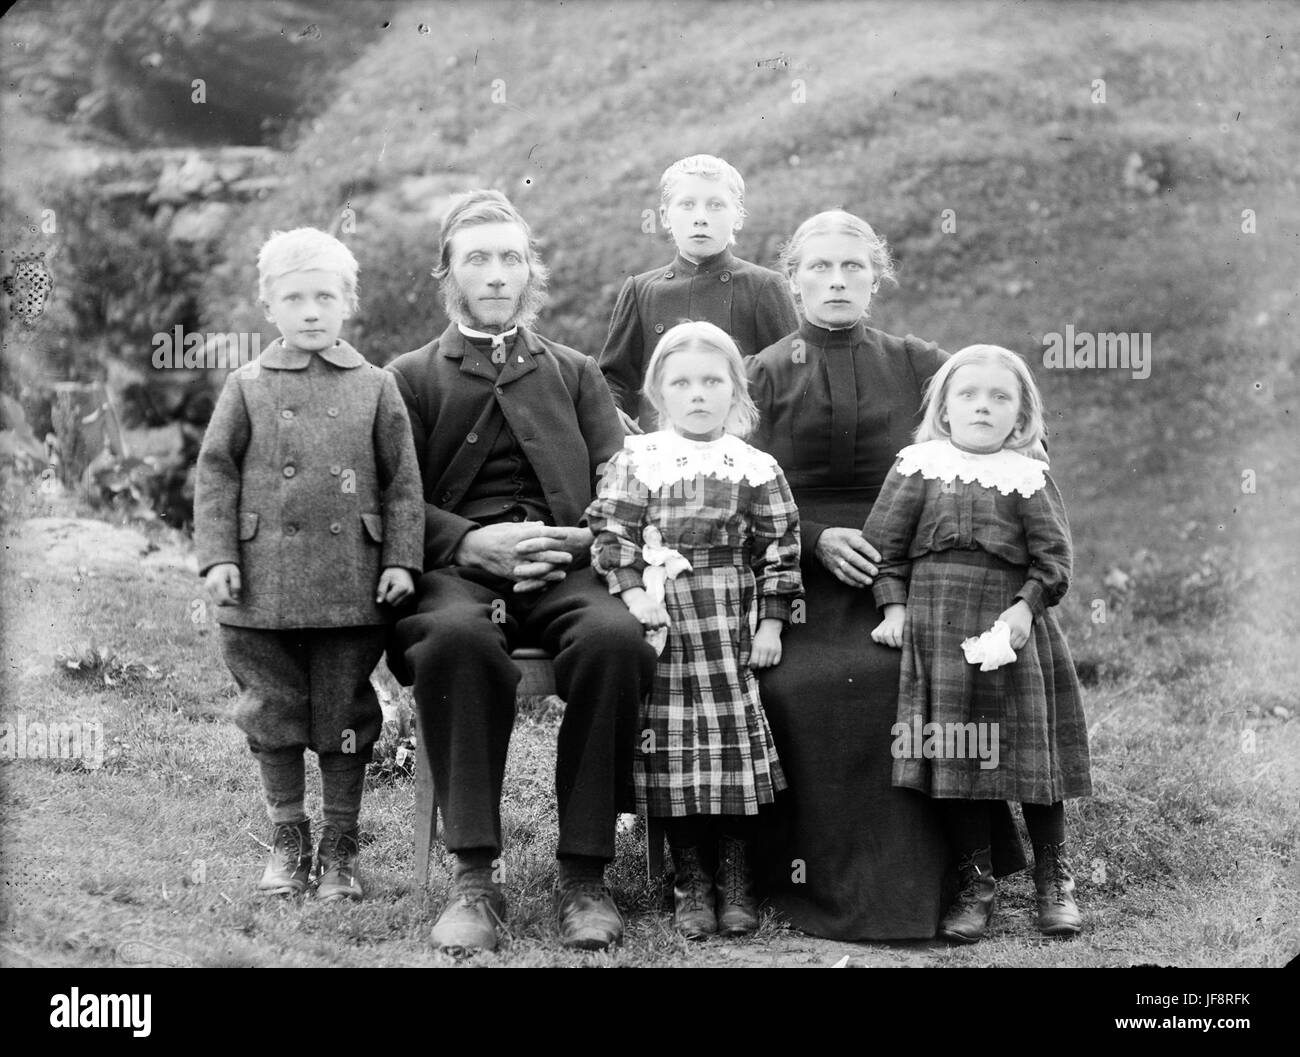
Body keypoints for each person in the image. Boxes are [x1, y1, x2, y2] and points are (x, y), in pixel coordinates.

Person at [386, 190, 657, 954]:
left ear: (530, 270)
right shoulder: (407, 378)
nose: (497, 273)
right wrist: (473, 544)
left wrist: (574, 541)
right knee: (452, 641)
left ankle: (584, 876)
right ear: (448, 272)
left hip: (567, 567)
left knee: (617, 638)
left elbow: (621, 482)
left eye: (511, 257)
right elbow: (394, 497)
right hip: (456, 574)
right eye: (478, 258)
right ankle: (475, 876)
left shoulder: (572, 372)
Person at [745, 209, 1027, 940]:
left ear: (877, 278)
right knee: (796, 683)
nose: (837, 281)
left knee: (901, 677)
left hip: (912, 570)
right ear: (793, 279)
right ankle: (773, 876)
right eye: (820, 269)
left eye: (853, 268)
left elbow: (1004, 435)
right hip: (796, 572)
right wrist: (813, 539)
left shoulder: (919, 361)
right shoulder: (765, 372)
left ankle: (961, 872)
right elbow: (737, 487)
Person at [194, 227, 425, 902]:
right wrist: (218, 558)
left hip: (350, 580)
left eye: (325, 295)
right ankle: (288, 838)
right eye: (294, 298)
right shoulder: (247, 384)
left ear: (348, 301)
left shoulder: (377, 386)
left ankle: (342, 843)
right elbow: (216, 474)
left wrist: (401, 560)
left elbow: (403, 483)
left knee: (344, 711)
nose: (312, 311)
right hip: (261, 581)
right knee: (271, 708)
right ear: (270, 306)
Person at [866, 344, 1091, 942]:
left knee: (1031, 754)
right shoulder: (916, 467)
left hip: (1011, 629)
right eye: (968, 395)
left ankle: (1054, 880)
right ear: (944, 410)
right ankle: (976, 884)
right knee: (956, 754)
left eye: (1000, 398)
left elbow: (1054, 561)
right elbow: (883, 549)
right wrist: (893, 606)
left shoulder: (1028, 476)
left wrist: (1024, 609)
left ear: (1021, 416)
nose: (983, 407)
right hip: (936, 624)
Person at [586, 321, 802, 939]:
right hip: (665, 617)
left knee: (731, 740)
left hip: (729, 611)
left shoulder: (754, 467)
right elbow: (613, 533)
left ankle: (736, 877)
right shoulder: (639, 459)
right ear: (658, 391)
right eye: (682, 383)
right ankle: (690, 879)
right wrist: (632, 594)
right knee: (674, 745)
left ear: (736, 391)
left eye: (713, 381)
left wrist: (771, 623)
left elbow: (780, 550)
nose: (698, 394)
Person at [598, 154, 798, 429]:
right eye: (687, 205)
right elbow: (614, 379)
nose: (701, 218)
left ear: (737, 217)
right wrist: (612, 410)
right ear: (666, 217)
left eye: (715, 205)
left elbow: (792, 379)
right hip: (662, 452)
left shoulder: (764, 286)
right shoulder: (641, 290)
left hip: (741, 449)